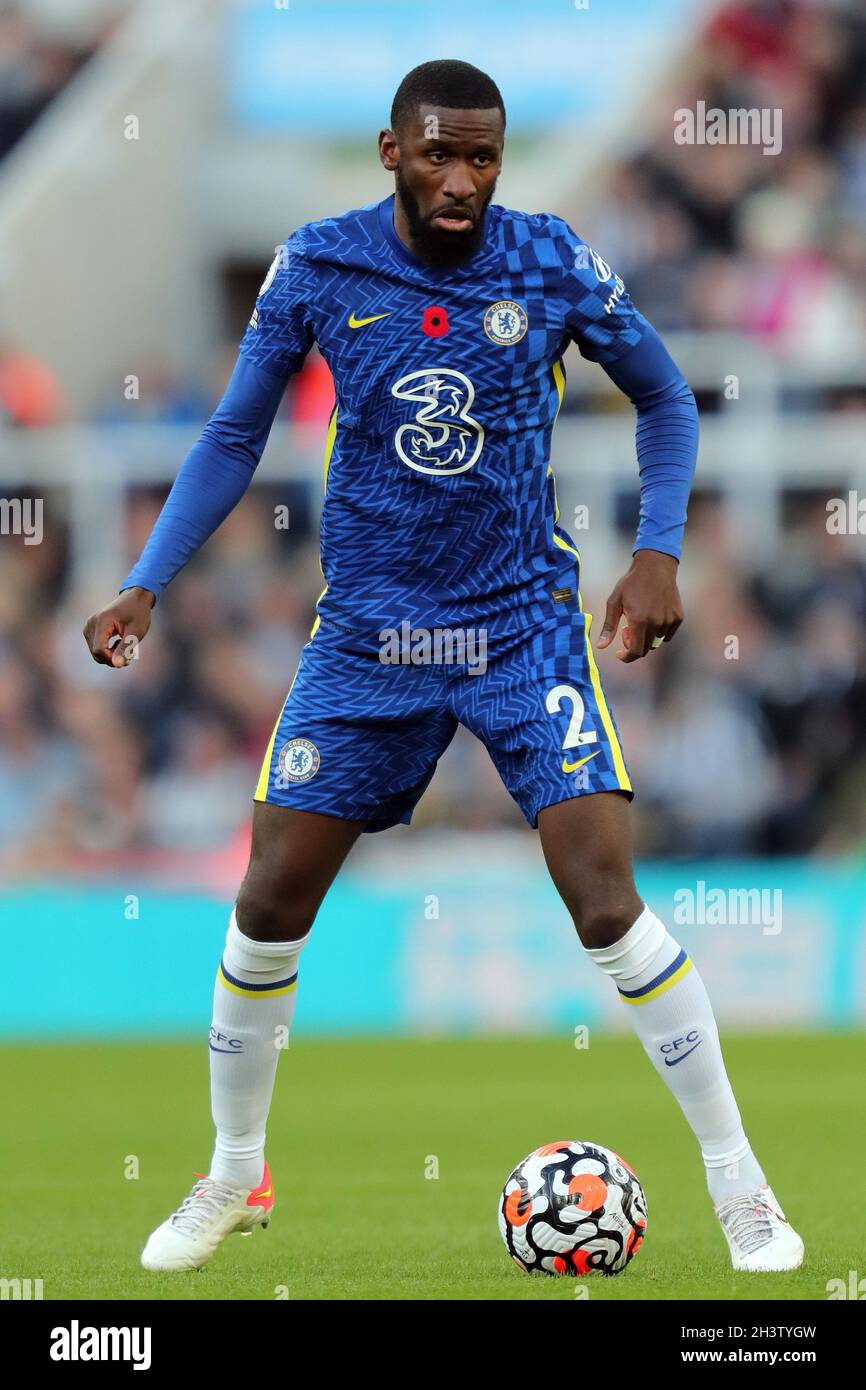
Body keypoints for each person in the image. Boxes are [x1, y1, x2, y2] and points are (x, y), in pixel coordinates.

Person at [83, 60, 803, 1276]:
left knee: (603, 896)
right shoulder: (316, 265)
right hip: (368, 634)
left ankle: (741, 1186)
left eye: (482, 157)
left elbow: (666, 400)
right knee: (267, 904)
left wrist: (658, 551)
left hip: (519, 627)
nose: (461, 180)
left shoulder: (551, 260)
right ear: (388, 151)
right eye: (437, 156)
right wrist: (147, 580)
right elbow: (230, 434)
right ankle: (231, 1172)